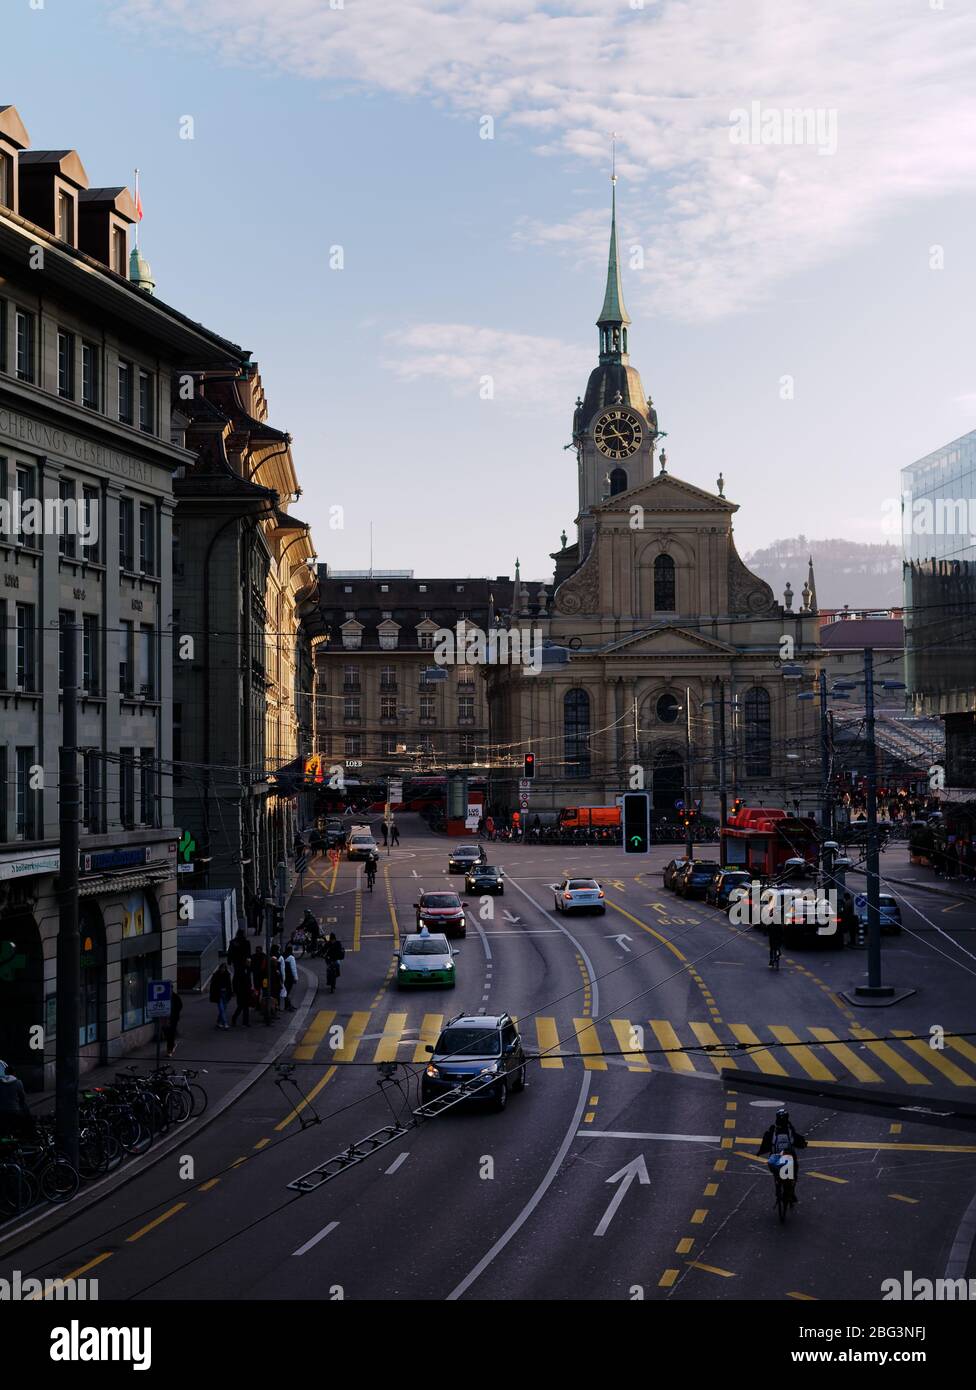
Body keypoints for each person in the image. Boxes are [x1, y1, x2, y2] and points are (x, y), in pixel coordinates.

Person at [758, 1106, 807, 1203]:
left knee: (775, 1170)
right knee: (794, 1171)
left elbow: (767, 1141)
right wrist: (803, 1143)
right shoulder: (789, 1128)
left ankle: (778, 1185)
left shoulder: (773, 1129)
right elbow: (795, 1139)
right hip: (789, 1156)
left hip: (775, 1156)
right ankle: (791, 1191)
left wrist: (761, 1151)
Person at [0, 1060, 33, 1142]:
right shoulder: (18, 1082)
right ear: (14, 1073)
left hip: (2, 1111)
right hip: (14, 1110)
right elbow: (22, 1098)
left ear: (5, 1072)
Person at [210, 963, 233, 1030]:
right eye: (222, 968)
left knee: (223, 1009)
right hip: (219, 994)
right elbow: (213, 985)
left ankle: (219, 1022)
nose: (223, 969)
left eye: (224, 968)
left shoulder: (226, 975)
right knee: (222, 1009)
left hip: (225, 994)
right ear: (220, 968)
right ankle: (225, 1023)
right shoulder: (217, 975)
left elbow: (229, 985)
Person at [163, 990, 183, 1058]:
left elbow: (180, 1005)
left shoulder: (175, 997)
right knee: (166, 1032)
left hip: (173, 1018)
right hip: (165, 1018)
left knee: (171, 1034)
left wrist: (175, 1013)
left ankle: (169, 1050)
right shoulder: (163, 995)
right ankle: (172, 1045)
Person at [283, 945, 299, 1011]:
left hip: (284, 977)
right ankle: (288, 1005)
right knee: (287, 992)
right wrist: (296, 978)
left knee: (285, 991)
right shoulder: (291, 957)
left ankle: (287, 1005)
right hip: (289, 977)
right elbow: (293, 968)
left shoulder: (282, 956)